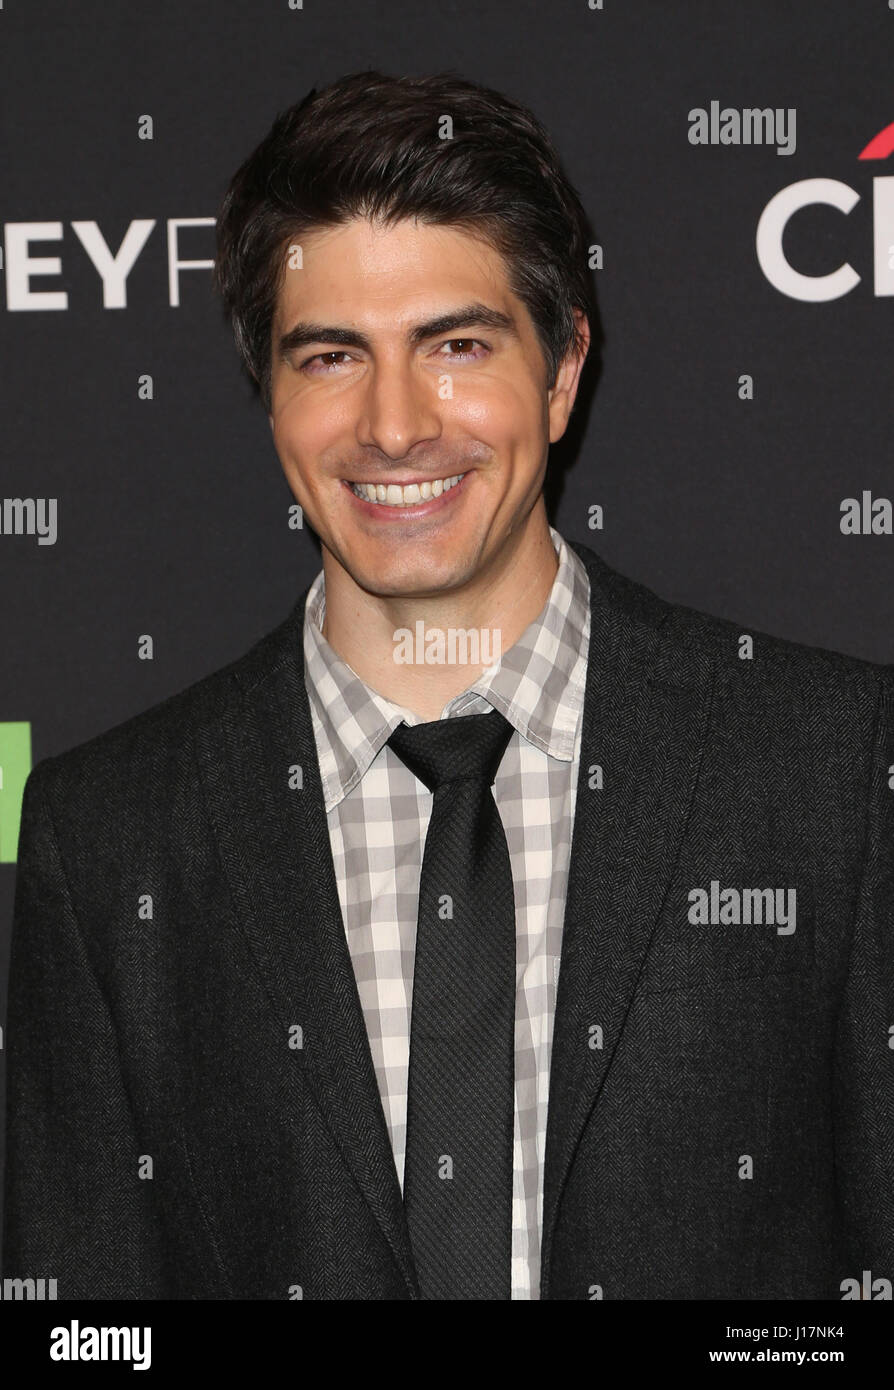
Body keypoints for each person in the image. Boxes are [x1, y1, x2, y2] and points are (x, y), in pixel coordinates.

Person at [3, 71, 892, 1301]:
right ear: (268, 392)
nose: (395, 425)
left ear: (565, 365)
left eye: (457, 345)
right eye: (330, 356)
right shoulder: (108, 841)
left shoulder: (832, 770)